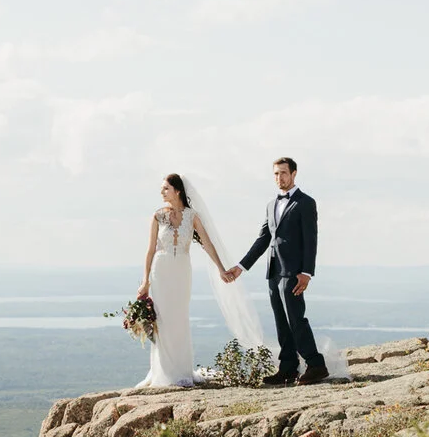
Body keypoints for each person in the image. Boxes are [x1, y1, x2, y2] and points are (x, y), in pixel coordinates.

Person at [222, 156, 329, 386]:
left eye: (283, 173)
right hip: (274, 271)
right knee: (281, 322)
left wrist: (306, 272)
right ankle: (288, 368)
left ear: (294, 174)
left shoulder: (305, 202)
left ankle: (316, 364)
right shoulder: (271, 205)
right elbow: (263, 239)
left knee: (296, 319)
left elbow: (311, 240)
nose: (279, 178)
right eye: (276, 174)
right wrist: (241, 267)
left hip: (294, 273)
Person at [132, 174, 234, 389]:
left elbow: (207, 243)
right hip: (161, 272)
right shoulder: (158, 216)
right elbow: (150, 250)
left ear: (177, 191)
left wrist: (221, 269)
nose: (162, 192)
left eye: (165, 188)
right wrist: (145, 282)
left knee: (179, 317)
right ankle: (164, 371)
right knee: (162, 319)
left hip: (181, 272)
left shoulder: (192, 216)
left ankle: (181, 370)